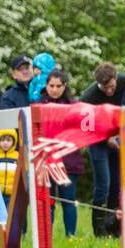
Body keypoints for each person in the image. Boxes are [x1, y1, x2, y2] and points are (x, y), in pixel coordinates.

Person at [80, 62, 125, 236]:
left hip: (119, 139)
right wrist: (105, 140)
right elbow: (85, 128)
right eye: (105, 88)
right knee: (103, 185)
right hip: (98, 142)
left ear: (116, 79)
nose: (109, 92)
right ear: (98, 85)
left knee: (117, 185)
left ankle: (113, 227)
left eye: (111, 87)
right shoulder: (89, 97)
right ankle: (99, 230)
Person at [41, 69, 82, 237]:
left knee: (68, 201)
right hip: (46, 159)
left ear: (65, 86)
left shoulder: (74, 107)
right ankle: (46, 236)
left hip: (69, 161)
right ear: (46, 86)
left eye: (59, 86)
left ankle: (70, 236)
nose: (55, 89)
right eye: (52, 85)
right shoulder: (38, 106)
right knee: (47, 202)